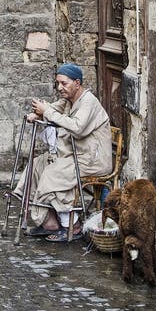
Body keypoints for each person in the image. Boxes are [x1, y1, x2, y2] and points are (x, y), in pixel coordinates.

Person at [14, 63, 112, 242]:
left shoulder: (88, 101)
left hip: (92, 160)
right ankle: (49, 222)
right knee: (38, 165)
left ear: (77, 83)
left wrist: (47, 112)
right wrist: (39, 114)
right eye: (58, 83)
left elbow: (78, 128)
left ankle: (72, 226)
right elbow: (52, 109)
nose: (60, 88)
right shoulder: (68, 101)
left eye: (64, 83)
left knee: (53, 174)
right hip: (74, 156)